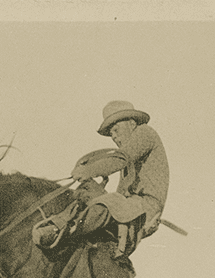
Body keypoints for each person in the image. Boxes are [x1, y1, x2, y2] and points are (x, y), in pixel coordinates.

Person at [34, 100, 170, 259]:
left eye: (116, 130)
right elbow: (120, 192)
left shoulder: (145, 133)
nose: (114, 137)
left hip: (146, 206)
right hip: (131, 205)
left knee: (109, 203)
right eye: (112, 134)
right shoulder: (130, 160)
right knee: (86, 194)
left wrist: (89, 170)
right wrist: (95, 188)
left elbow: (120, 159)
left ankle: (61, 230)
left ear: (132, 123)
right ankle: (58, 223)